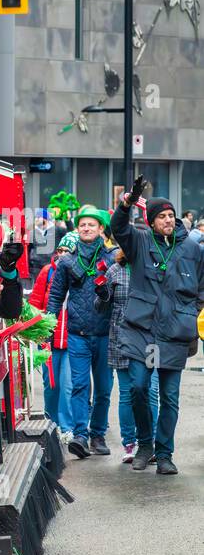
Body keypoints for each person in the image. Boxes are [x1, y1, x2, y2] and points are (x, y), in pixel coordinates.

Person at [110, 182, 204, 474]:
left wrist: (191, 312)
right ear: (151, 222)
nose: (168, 220)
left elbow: (202, 287)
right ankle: (145, 443)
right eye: (162, 216)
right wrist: (127, 204)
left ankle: (165, 454)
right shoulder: (140, 242)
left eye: (171, 215)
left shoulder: (192, 248)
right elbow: (118, 227)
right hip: (144, 333)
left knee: (170, 396)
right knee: (138, 386)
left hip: (175, 334)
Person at [46, 205, 115, 458]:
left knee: (105, 388)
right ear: (78, 229)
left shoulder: (110, 259)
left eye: (92, 224)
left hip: (106, 334)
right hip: (77, 334)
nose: (86, 228)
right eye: (83, 225)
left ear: (100, 229)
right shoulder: (67, 261)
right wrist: (49, 325)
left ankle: (98, 434)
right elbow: (55, 296)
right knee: (79, 386)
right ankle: (80, 436)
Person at [101, 248, 159, 463]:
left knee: (151, 391)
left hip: (151, 341)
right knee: (127, 393)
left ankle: (151, 442)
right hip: (121, 340)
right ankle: (130, 443)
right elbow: (100, 307)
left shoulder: (155, 271)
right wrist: (102, 297)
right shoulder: (115, 271)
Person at [31, 234, 74, 440]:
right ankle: (51, 423)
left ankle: (66, 427)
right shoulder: (47, 273)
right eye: (60, 251)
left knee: (67, 386)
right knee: (51, 385)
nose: (63, 255)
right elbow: (35, 305)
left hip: (72, 341)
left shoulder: (80, 274)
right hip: (48, 340)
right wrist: (37, 331)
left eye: (68, 251)